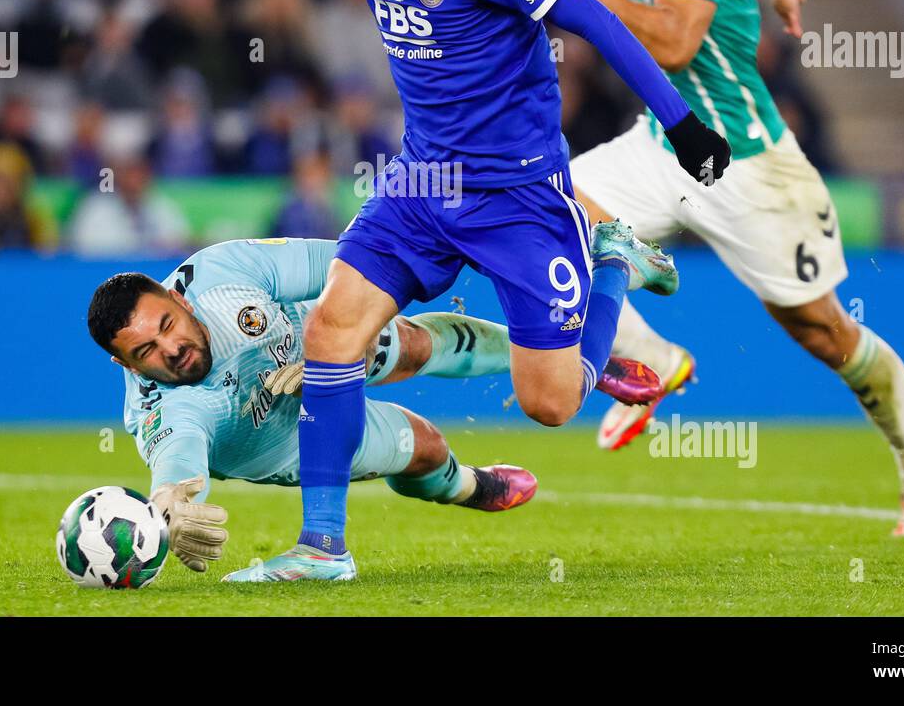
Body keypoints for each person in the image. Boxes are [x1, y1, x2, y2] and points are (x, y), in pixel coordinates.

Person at [144, 0, 728, 579]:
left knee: (550, 404)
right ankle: (323, 548)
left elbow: (597, 25)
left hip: (518, 196)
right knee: (330, 332)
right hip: (421, 184)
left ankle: (610, 259)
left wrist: (684, 125)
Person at [509, 0, 904, 536]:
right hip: (666, 144)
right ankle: (652, 360)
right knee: (544, 208)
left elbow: (677, 41)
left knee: (821, 331)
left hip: (743, 165)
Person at [86, 237, 668, 581]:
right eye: (147, 352)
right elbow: (177, 468)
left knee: (411, 343)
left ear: (179, 299)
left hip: (309, 340)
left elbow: (350, 263)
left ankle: (552, 358)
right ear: (126, 367)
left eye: (167, 325)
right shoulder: (166, 408)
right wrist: (167, 508)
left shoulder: (221, 272)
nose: (172, 350)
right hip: (277, 439)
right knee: (426, 448)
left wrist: (354, 328)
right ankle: (470, 486)